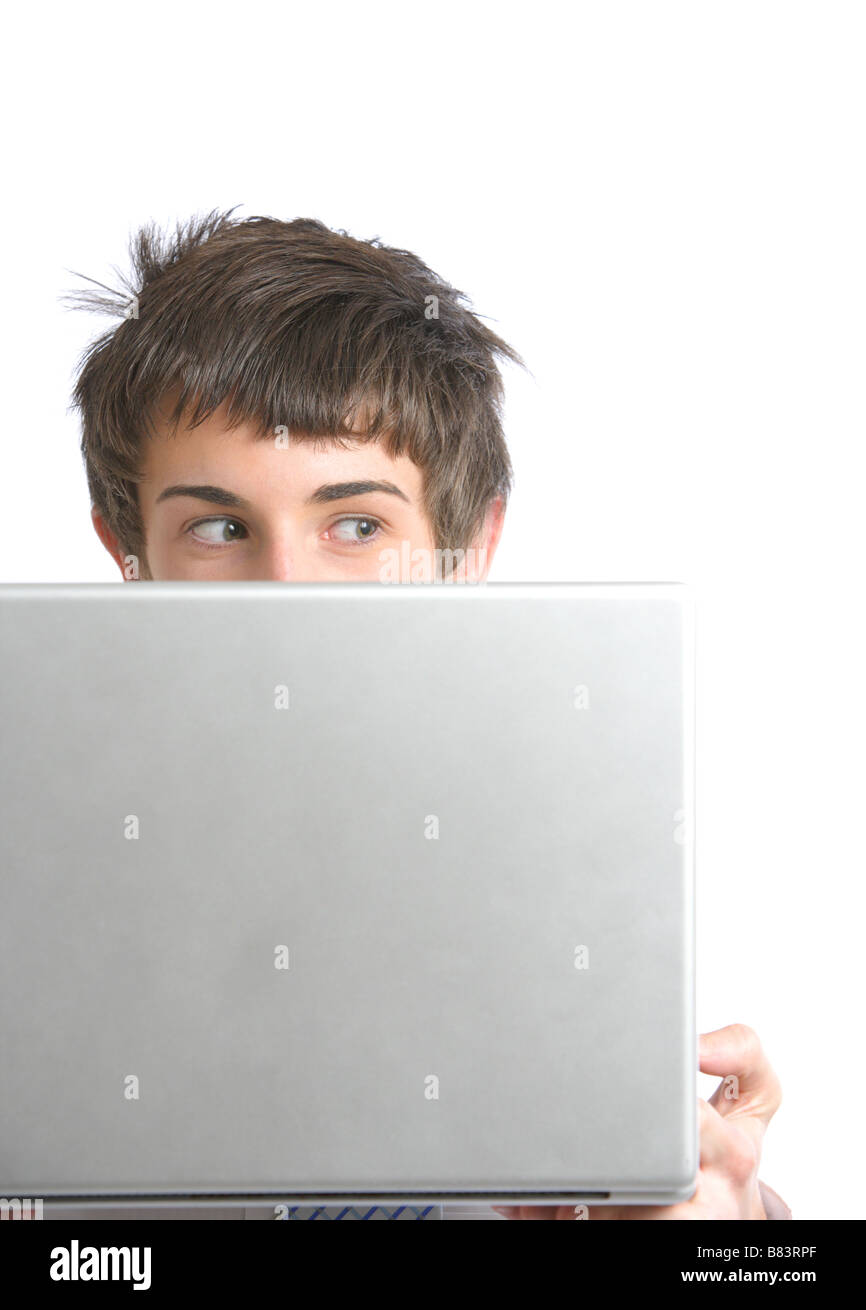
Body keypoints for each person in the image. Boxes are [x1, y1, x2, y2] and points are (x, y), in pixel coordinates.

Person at [66, 209, 790, 1220]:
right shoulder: (52, 893)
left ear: (467, 547)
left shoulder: (599, 907)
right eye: (220, 526)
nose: (285, 591)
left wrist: (731, 1235)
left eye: (355, 524)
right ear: (126, 549)